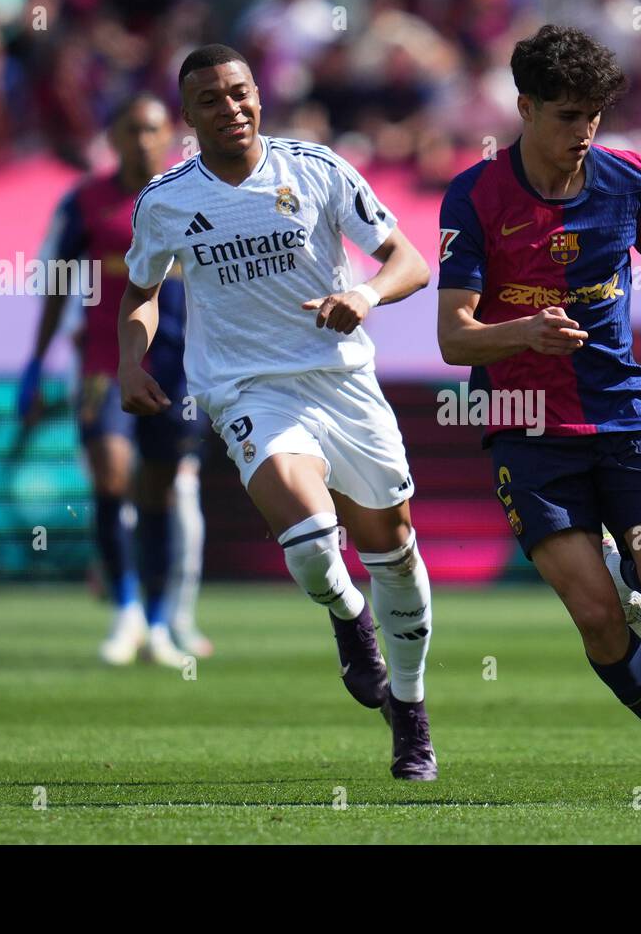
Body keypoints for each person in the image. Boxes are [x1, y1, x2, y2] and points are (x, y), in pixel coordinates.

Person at [117, 45, 437, 779]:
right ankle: (350, 619)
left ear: (258, 95)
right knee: (312, 544)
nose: (229, 108)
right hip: (247, 390)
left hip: (344, 384)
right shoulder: (165, 201)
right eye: (210, 100)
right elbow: (139, 292)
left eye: (239, 94)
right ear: (189, 117)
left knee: (396, 554)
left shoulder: (316, 169)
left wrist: (362, 296)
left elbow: (409, 261)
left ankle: (410, 711)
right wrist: (132, 360)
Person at [436, 25, 641, 802]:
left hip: (622, 415)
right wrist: (524, 331)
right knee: (596, 616)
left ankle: (637, 571)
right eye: (568, 115)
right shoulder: (476, 195)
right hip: (526, 427)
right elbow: (453, 339)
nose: (583, 132)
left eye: (594, 115)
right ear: (524, 107)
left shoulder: (631, 183)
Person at [19, 93, 211, 668]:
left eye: (154, 129)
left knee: (160, 488)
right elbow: (55, 280)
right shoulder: (85, 201)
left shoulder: (195, 195)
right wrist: (35, 363)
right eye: (133, 129)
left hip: (180, 367)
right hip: (106, 359)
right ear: (115, 136)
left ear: (169, 136)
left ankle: (157, 621)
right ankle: (125, 608)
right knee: (110, 469)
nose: (145, 139)